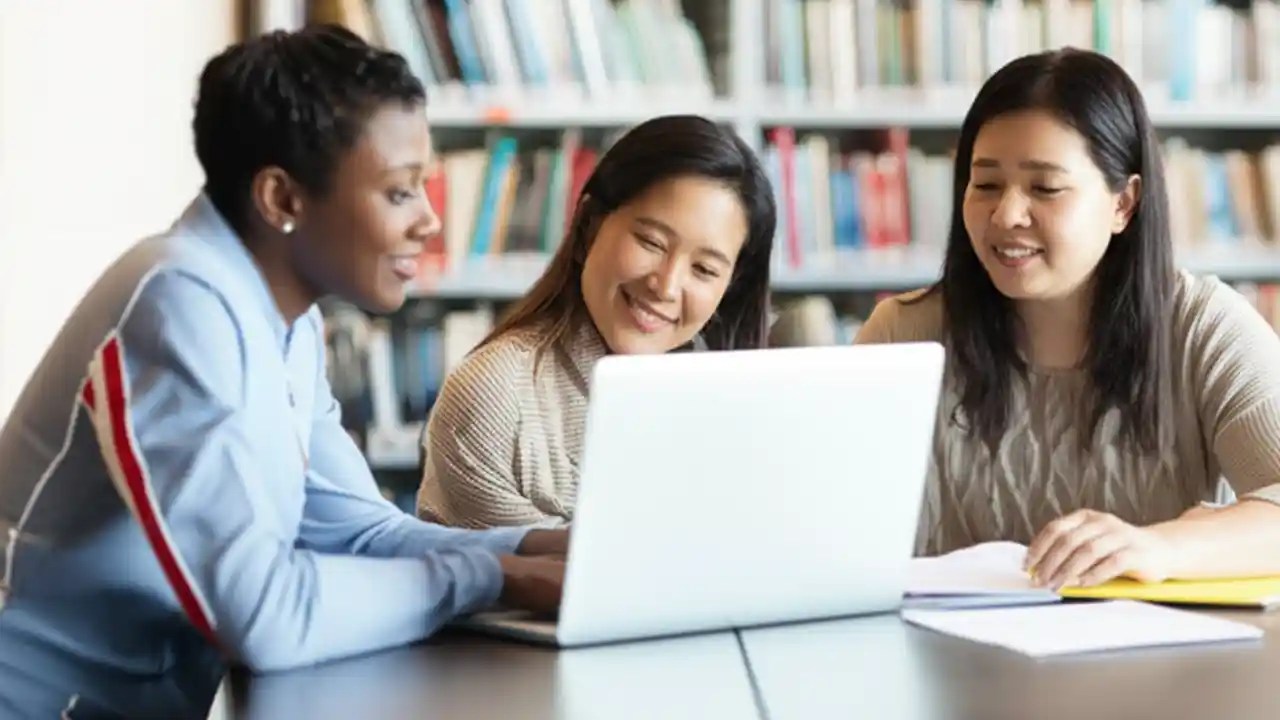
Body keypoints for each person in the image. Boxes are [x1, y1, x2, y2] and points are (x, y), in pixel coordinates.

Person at [0, 25, 565, 719]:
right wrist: (490, 576)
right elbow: (266, 617)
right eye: (399, 192)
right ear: (281, 199)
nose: (430, 221)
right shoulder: (179, 302)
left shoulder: (287, 322)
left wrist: (541, 548)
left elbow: (362, 534)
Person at [855, 48, 1280, 592]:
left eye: (1045, 188)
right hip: (943, 646)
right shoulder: (902, 335)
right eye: (985, 185)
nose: (1006, 215)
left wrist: (1159, 546)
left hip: (1153, 645)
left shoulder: (1206, 330)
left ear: (1123, 203)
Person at [417, 115, 776, 528]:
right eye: (651, 242)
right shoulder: (496, 395)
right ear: (590, 226)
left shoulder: (728, 400)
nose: (666, 286)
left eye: (705, 269)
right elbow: (557, 567)